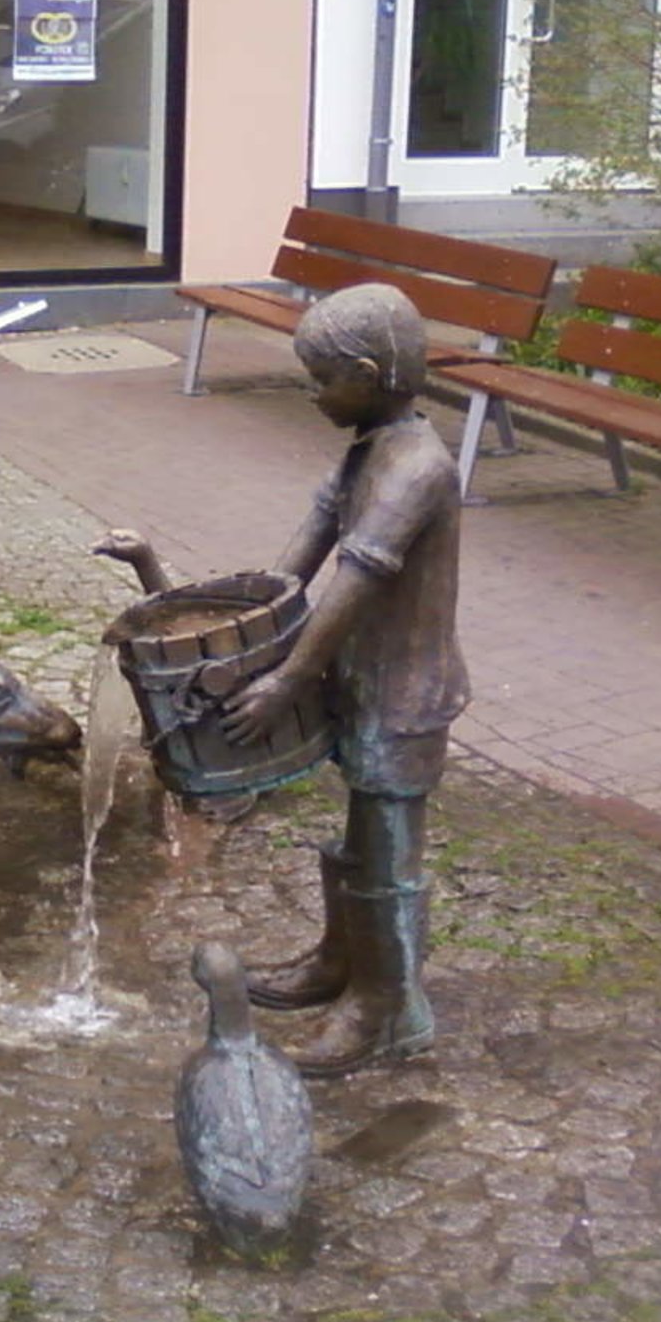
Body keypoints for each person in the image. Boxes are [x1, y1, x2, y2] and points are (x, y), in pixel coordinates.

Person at [217, 282, 469, 1076]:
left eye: (324, 379)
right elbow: (305, 555)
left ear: (367, 371)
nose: (315, 392)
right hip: (362, 675)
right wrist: (243, 625)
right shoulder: (367, 445)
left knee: (389, 851)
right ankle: (339, 959)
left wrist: (288, 678)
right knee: (358, 836)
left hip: (405, 692)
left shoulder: (417, 466)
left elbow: (356, 577)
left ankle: (387, 1006)